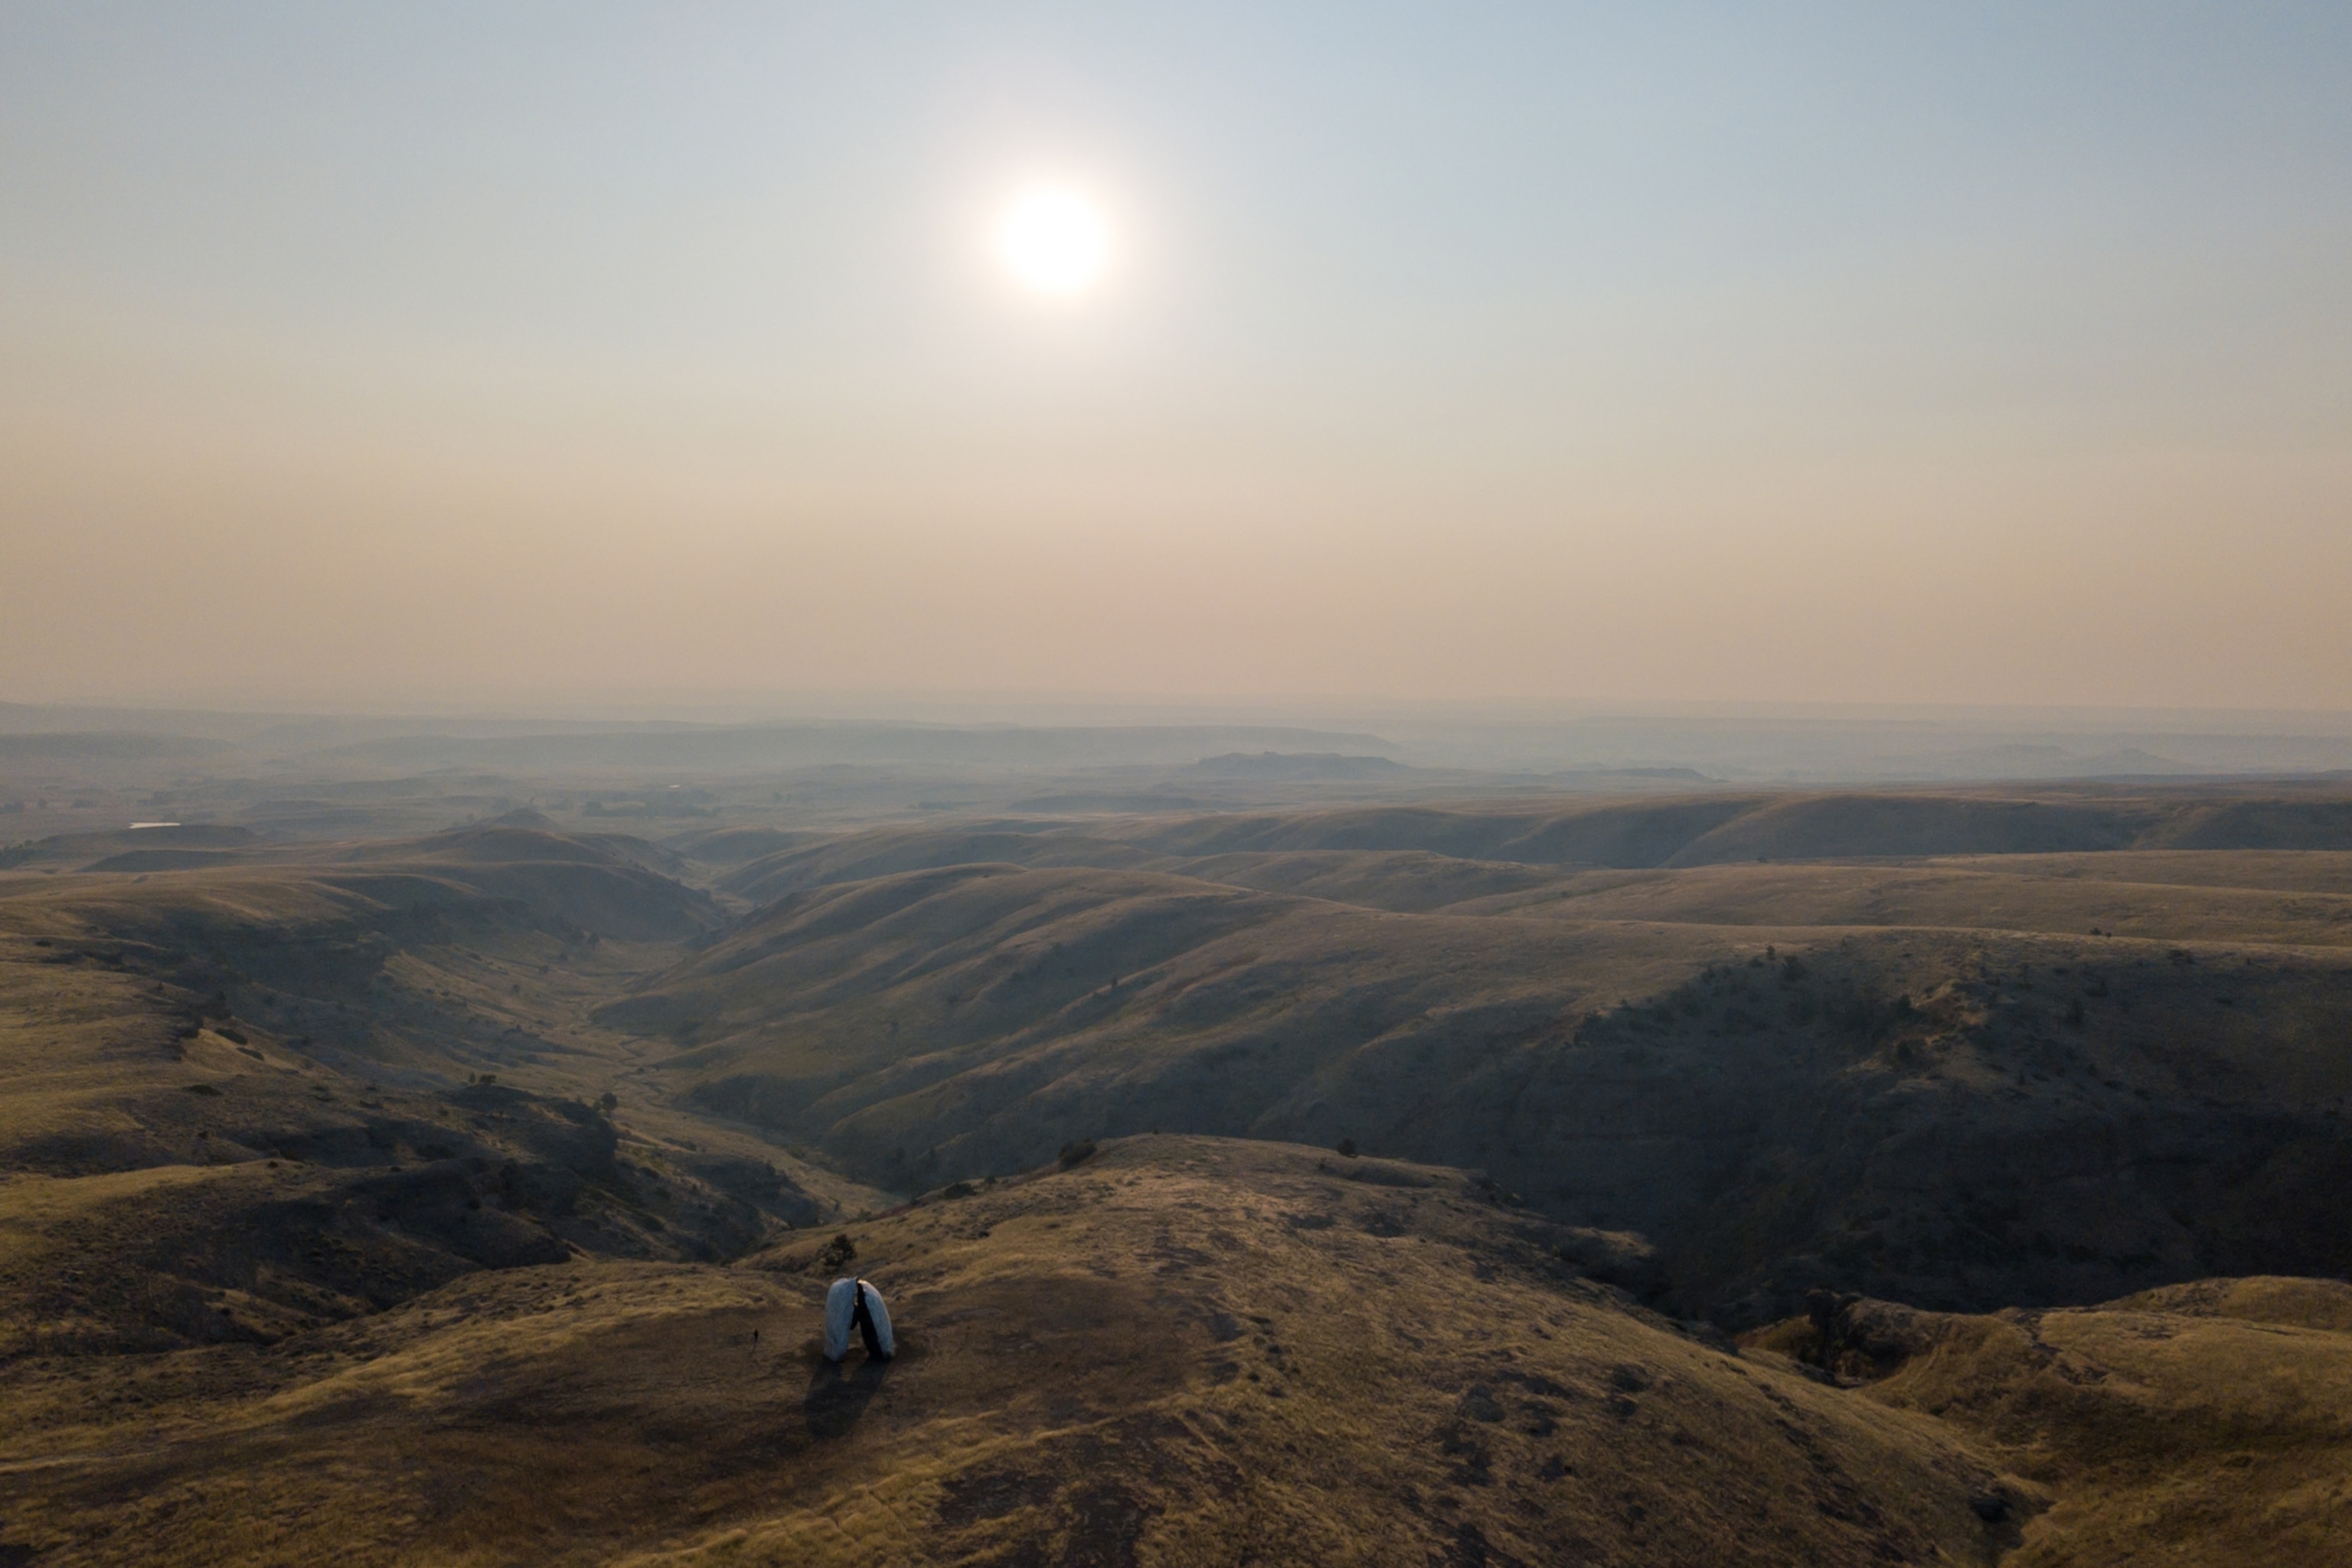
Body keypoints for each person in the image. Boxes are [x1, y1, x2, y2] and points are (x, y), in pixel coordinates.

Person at [822, 1276, 894, 1362]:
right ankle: (879, 1350)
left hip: (879, 1346)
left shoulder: (868, 1296)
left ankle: (879, 1350)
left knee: (873, 1334)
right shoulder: (870, 1294)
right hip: (880, 1346)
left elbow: (850, 1322)